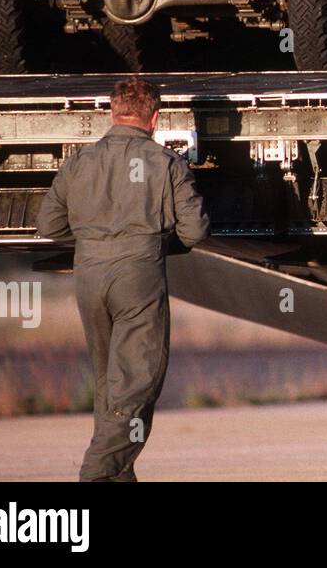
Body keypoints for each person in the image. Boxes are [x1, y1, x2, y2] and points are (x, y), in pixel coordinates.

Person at [36, 77, 210, 481]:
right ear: (154, 118)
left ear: (112, 114)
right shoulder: (166, 163)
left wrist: (93, 240)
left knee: (109, 382)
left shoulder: (80, 161)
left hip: (89, 276)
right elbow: (195, 230)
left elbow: (49, 223)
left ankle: (119, 476)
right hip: (138, 276)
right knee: (135, 383)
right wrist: (153, 245)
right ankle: (95, 475)